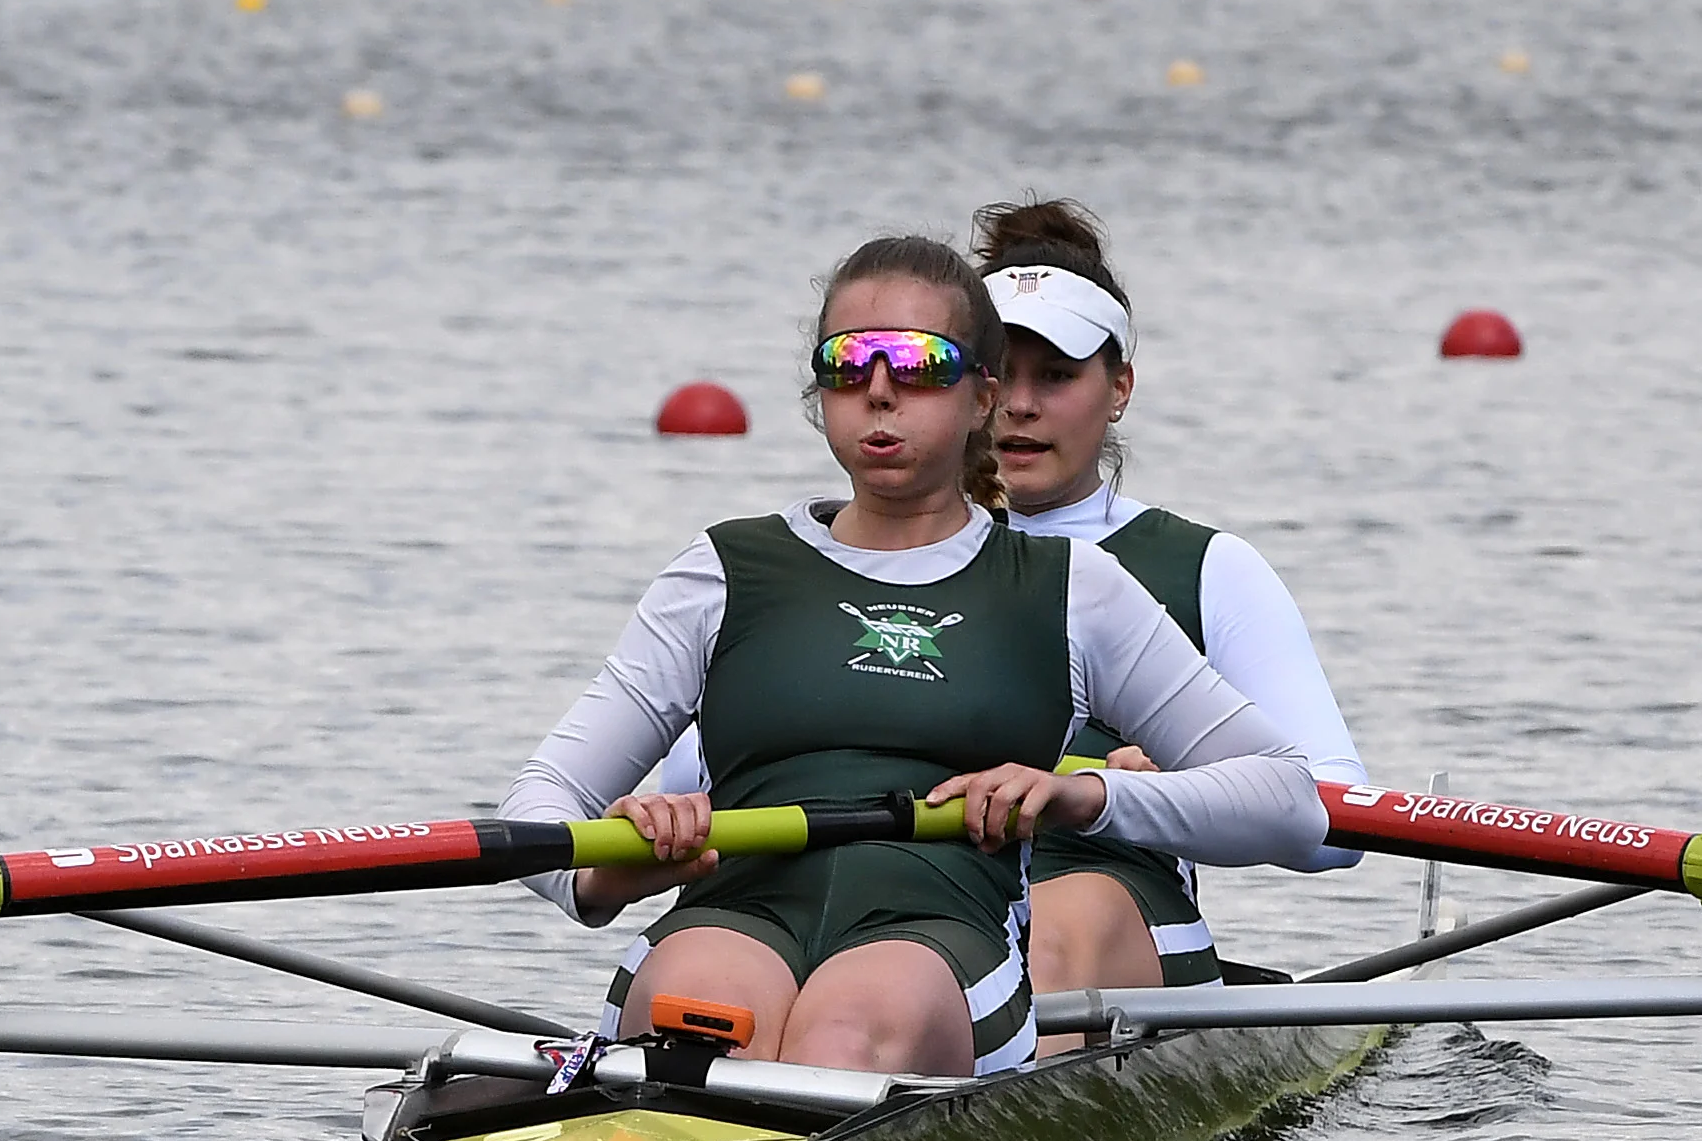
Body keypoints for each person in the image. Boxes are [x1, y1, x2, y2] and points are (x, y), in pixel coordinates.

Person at [501, 235, 1329, 1079]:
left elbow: (1289, 798)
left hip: (939, 932)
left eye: (921, 363)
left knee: (845, 1033)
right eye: (848, 363)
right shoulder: (721, 569)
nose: (881, 392)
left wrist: (1080, 796)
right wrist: (609, 873)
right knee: (704, 1009)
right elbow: (539, 803)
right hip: (732, 910)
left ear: (981, 397)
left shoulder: (1073, 586)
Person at [974, 197, 1364, 1013]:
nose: (1020, 404)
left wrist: (1182, 781)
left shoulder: (1207, 569)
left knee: (1049, 933)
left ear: (1117, 389)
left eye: (1054, 376)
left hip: (1106, 905)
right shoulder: (871, 554)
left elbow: (1334, 825)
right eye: (998, 374)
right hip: (919, 896)